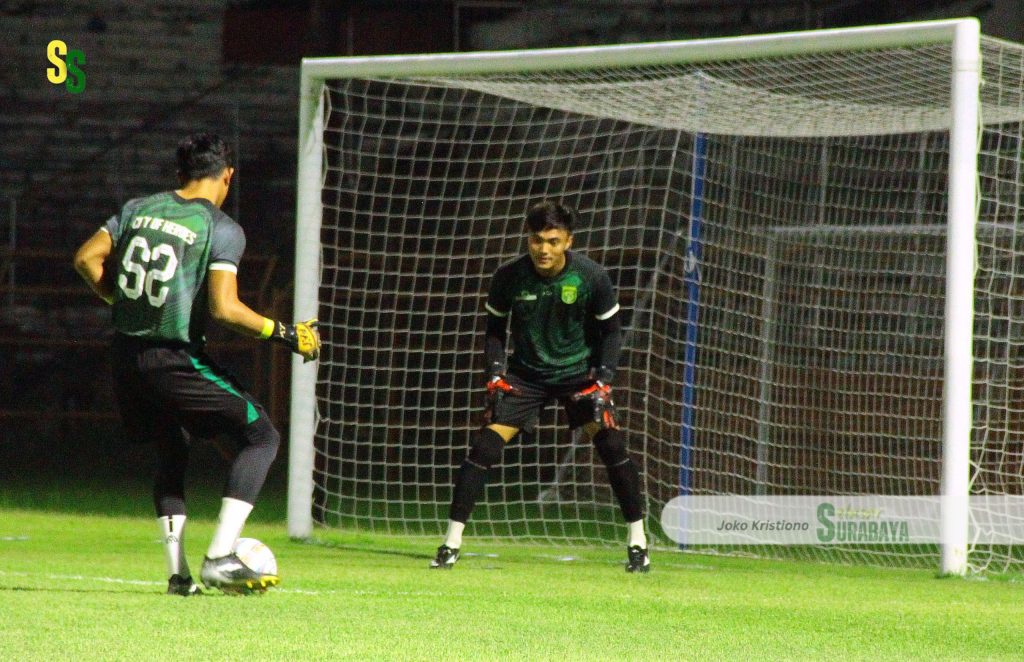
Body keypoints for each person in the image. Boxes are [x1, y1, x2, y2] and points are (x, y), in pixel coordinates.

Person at [73, 133, 320, 595]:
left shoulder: (137, 208)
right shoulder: (219, 227)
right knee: (261, 436)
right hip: (172, 358)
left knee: (173, 448)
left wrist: (121, 301)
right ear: (228, 176)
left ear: (179, 174)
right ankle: (221, 558)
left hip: (125, 356)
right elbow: (226, 309)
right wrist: (284, 333)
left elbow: (86, 257)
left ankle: (179, 576)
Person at [431, 200, 649, 572]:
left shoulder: (591, 276)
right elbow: (495, 331)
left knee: (612, 445)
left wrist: (603, 380)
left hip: (578, 376)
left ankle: (638, 543)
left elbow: (612, 333)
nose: (543, 249)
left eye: (552, 241)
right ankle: (450, 544)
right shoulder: (509, 276)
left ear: (568, 241)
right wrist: (495, 373)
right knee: (483, 448)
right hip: (526, 377)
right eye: (536, 240)